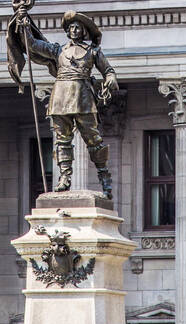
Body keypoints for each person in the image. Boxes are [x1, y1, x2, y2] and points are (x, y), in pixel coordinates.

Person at [17, 10, 118, 198]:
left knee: (93, 139)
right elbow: (32, 45)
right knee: (62, 140)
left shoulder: (93, 52)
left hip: (83, 97)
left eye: (77, 27)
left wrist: (111, 78)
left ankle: (104, 176)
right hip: (60, 97)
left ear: (83, 32)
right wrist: (25, 26)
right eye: (71, 27)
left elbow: (108, 70)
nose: (74, 30)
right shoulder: (58, 50)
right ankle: (65, 177)